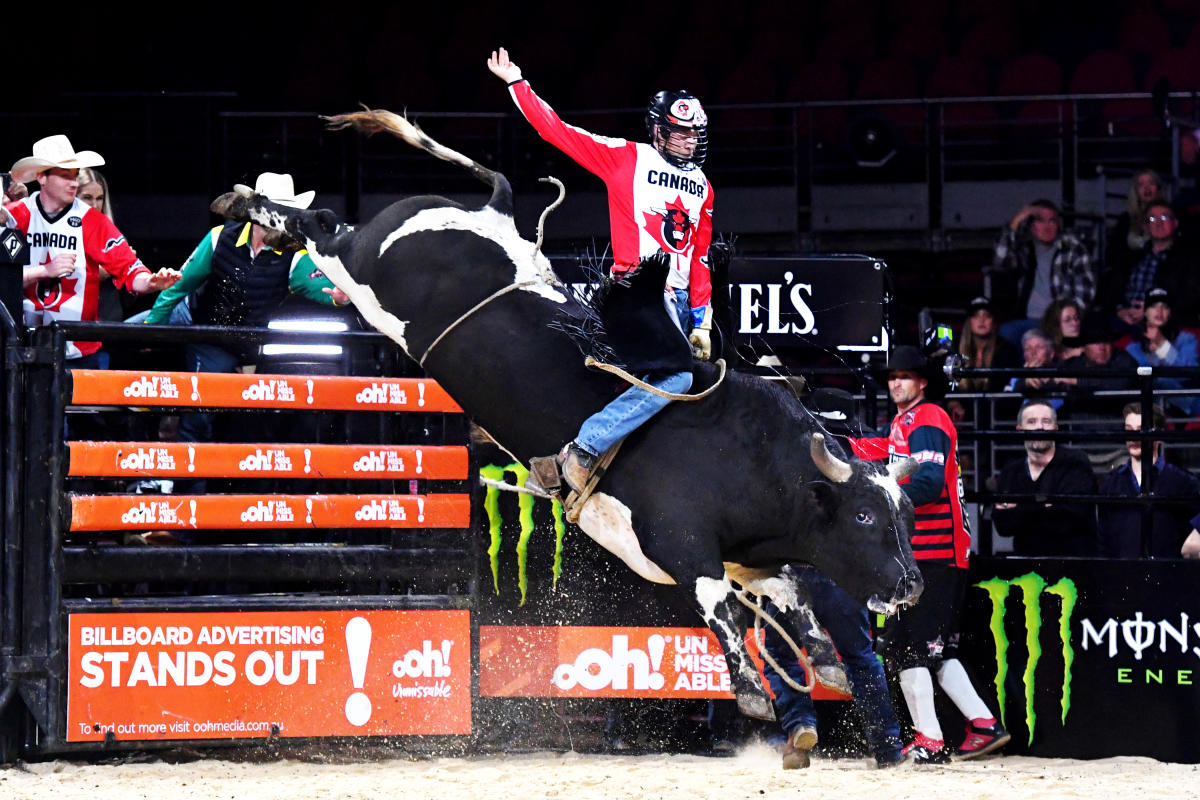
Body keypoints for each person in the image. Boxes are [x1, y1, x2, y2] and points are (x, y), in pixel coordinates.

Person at [487, 47, 714, 494]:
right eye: (681, 133)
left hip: (681, 302)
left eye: (695, 134)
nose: (690, 141)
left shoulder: (704, 187)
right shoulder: (625, 158)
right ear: (659, 131)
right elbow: (558, 132)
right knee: (680, 377)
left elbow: (700, 255)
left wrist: (703, 320)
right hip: (638, 293)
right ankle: (584, 449)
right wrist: (518, 83)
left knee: (703, 380)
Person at [855, 345, 1009, 764]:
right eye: (891, 377)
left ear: (923, 382)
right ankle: (982, 725)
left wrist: (879, 495)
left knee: (907, 646)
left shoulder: (926, 418)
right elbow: (884, 451)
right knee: (932, 648)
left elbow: (930, 483)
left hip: (934, 554)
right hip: (935, 554)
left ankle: (931, 740)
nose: (896, 383)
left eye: (904, 376)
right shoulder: (908, 422)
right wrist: (842, 442)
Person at [144, 172, 349, 480]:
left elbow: (324, 288)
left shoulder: (294, 256)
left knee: (199, 417)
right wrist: (151, 327)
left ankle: (189, 500)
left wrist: (338, 298)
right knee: (118, 338)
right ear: (258, 212)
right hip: (191, 317)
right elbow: (178, 288)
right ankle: (135, 431)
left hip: (227, 344)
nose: (282, 219)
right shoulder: (218, 238)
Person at [4, 134, 181, 366]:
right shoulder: (14, 217)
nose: (74, 183)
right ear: (42, 177)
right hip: (22, 345)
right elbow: (4, 280)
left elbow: (129, 268)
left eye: (75, 176)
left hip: (79, 349)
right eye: (65, 176)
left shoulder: (93, 221)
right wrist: (44, 270)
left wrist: (150, 282)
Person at [992, 399, 1098, 556]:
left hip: (1072, 566)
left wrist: (1021, 509)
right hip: (1028, 570)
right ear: (1020, 429)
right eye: (1032, 422)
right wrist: (1048, 506)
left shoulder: (1075, 462)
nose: (1039, 427)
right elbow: (1003, 525)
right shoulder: (1011, 470)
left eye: (1046, 421)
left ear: (1055, 428)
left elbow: (1069, 520)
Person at [988, 199, 1096, 348]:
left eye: (1052, 221)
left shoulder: (1073, 248)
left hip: (1059, 321)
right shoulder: (1025, 248)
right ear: (1032, 227)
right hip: (1028, 320)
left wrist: (1067, 320)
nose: (1047, 227)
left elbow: (1085, 294)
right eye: (1041, 221)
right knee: (1006, 334)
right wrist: (1017, 220)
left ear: (1058, 225)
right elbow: (1000, 260)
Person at [1098, 402, 1200, 558]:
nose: (1134, 437)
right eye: (1129, 430)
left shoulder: (1183, 482)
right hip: (1121, 576)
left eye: (1141, 430)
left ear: (1158, 434)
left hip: (1168, 577)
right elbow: (1104, 540)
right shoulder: (1110, 483)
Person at [1100, 199, 1199, 331]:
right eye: (1152, 219)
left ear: (1175, 223)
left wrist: (1152, 309)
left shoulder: (1189, 259)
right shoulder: (1130, 258)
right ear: (1146, 227)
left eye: (1164, 217)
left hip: (1166, 323)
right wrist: (1120, 310)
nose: (1158, 223)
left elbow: (1190, 300)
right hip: (1125, 320)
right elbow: (1111, 293)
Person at [1124, 288, 1200, 415]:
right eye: (1153, 306)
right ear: (1145, 312)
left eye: (1164, 307)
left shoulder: (1187, 340)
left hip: (1184, 411)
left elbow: (1189, 374)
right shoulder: (1133, 347)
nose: (1159, 311)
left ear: (1170, 312)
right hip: (1145, 412)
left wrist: (1162, 344)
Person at [1109, 169, 1165, 256]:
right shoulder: (1126, 219)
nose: (1147, 187)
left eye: (1151, 183)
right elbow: (1114, 251)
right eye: (1141, 184)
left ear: (1158, 189)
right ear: (1135, 191)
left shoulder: (1166, 218)